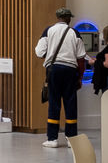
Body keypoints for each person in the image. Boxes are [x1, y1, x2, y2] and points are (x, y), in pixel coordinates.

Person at [35, 8, 87, 147]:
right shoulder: (74, 32)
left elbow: (39, 52)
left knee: (54, 102)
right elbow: (81, 56)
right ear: (68, 18)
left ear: (58, 17)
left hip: (54, 70)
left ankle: (52, 139)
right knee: (70, 103)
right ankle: (71, 139)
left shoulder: (48, 31)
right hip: (70, 70)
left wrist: (50, 56)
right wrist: (80, 77)